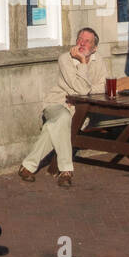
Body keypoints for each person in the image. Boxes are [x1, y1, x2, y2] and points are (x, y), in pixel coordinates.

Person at [17, 27, 106, 188]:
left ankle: (27, 166)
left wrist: (86, 90)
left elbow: (101, 86)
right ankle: (66, 170)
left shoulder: (98, 60)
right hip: (56, 104)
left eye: (87, 41)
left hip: (79, 110)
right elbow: (81, 89)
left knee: (54, 127)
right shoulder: (65, 58)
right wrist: (83, 63)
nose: (81, 43)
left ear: (95, 48)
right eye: (79, 39)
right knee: (63, 117)